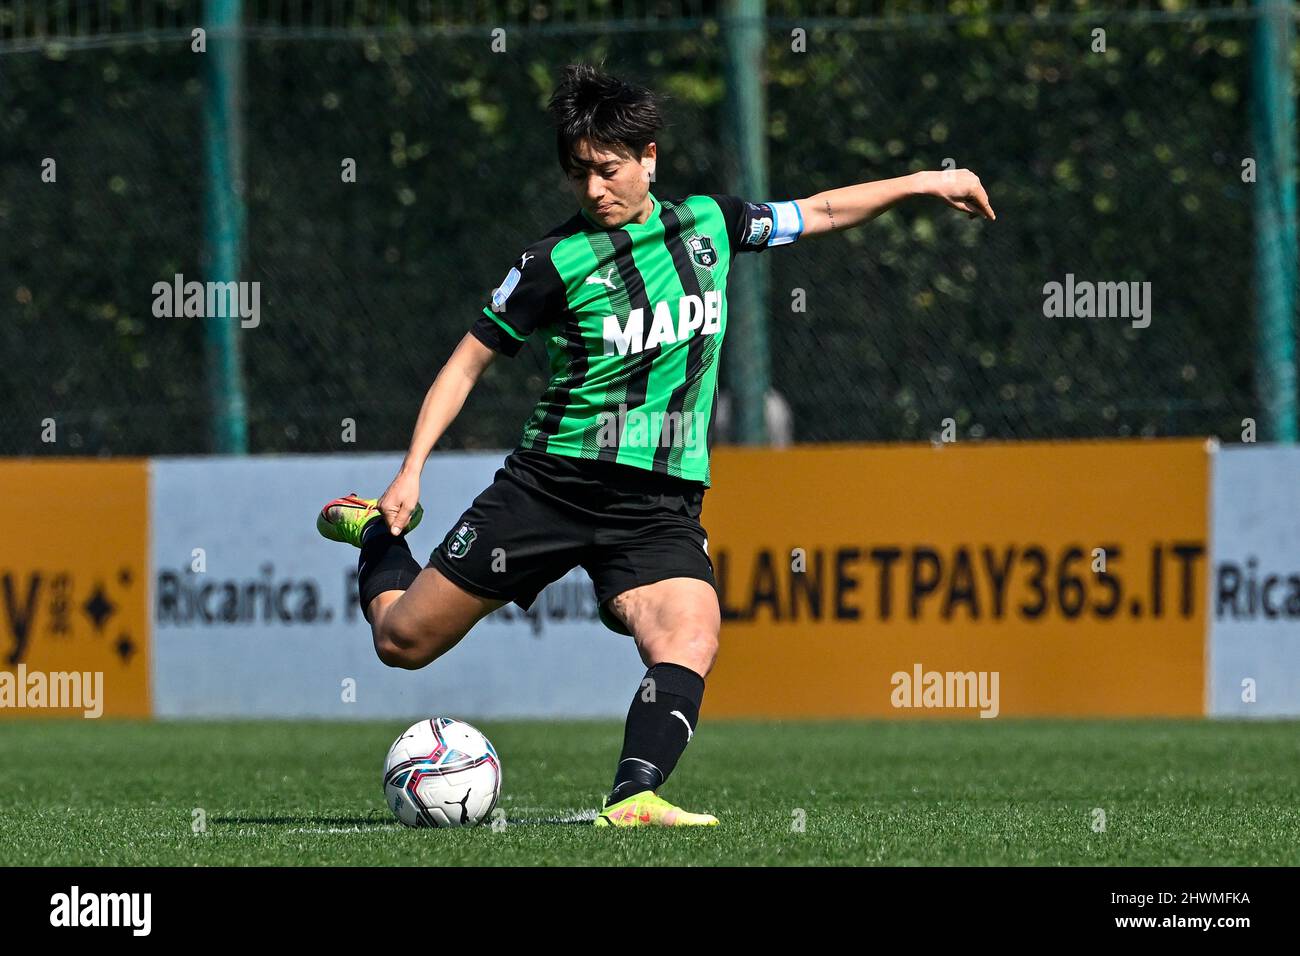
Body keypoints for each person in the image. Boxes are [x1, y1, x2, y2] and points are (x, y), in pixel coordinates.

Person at [317, 63, 995, 827]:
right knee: (402, 641)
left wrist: (930, 183)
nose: (594, 189)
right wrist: (410, 474)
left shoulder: (710, 224)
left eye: (607, 170)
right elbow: (468, 360)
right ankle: (374, 530)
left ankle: (633, 796)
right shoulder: (549, 264)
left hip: (660, 503)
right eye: (579, 175)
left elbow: (822, 211)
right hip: (552, 487)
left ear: (648, 159)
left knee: (690, 633)